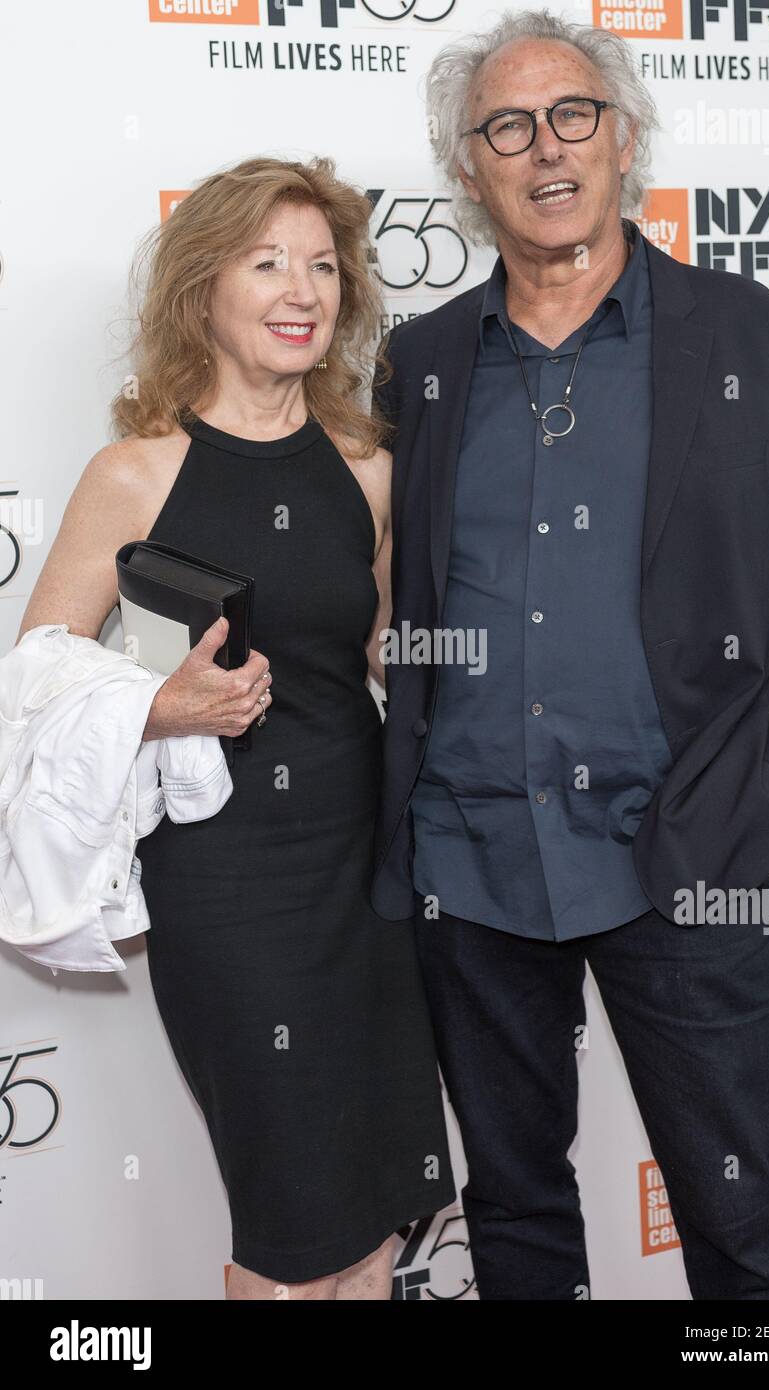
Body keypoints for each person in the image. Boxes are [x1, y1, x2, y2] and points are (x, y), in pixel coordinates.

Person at [371, 9, 769, 1300]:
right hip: (467, 864)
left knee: (742, 1217)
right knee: (517, 1210)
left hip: (682, 855)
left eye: (572, 114)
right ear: (469, 166)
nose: (545, 148)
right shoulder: (420, 362)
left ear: (623, 135)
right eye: (506, 126)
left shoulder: (749, 334)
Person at [16, 154, 455, 1300]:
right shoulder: (136, 473)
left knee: (371, 1194)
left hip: (367, 867)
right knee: (290, 1201)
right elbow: (35, 677)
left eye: (321, 265)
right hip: (228, 888)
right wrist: (160, 706)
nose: (300, 288)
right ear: (202, 287)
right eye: (266, 262)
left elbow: (380, 654)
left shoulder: (366, 469)